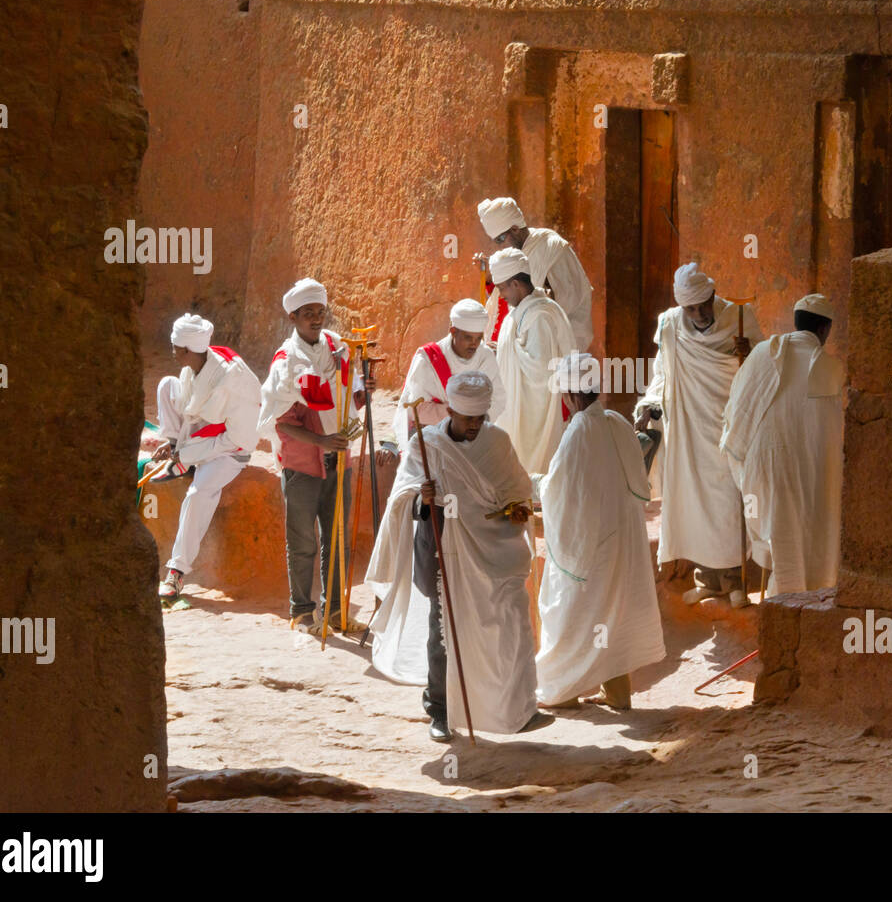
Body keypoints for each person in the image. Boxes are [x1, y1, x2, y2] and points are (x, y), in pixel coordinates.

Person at [364, 371, 550, 741]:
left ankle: (518, 708)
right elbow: (401, 498)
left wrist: (517, 508)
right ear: (450, 409)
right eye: (469, 419)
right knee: (444, 629)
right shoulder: (426, 445)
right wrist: (422, 497)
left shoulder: (496, 441)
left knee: (510, 622)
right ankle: (441, 710)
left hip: (494, 552)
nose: (475, 426)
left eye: (481, 418)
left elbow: (516, 487)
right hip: (443, 550)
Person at [534, 354, 666, 710]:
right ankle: (618, 694)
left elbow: (559, 489)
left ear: (571, 395)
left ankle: (564, 692)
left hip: (593, 547)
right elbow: (635, 481)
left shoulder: (579, 430)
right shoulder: (616, 423)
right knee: (613, 616)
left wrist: (534, 484)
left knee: (578, 614)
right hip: (623, 543)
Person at [635, 261, 763, 609]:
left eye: (703, 304)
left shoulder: (740, 317)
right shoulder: (670, 324)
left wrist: (748, 354)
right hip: (688, 425)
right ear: (681, 306)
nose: (699, 313)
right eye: (690, 308)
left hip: (728, 424)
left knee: (726, 498)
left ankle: (735, 580)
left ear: (713, 295)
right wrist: (648, 403)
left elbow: (762, 368)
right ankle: (706, 580)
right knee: (694, 502)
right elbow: (662, 373)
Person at [258, 278, 374, 634]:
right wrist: (321, 441)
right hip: (302, 465)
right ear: (293, 317)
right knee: (304, 542)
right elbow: (281, 422)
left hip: (339, 460)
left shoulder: (339, 349)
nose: (316, 318)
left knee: (337, 538)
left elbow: (347, 401)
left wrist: (364, 389)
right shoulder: (286, 362)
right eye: (308, 313)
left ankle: (336, 613)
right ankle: (303, 612)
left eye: (320, 312)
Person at [721, 294, 843, 595]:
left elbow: (736, 412)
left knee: (781, 535)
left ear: (796, 321)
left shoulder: (762, 354)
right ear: (825, 330)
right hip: (811, 474)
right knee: (811, 528)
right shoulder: (832, 371)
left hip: (761, 471)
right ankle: (802, 601)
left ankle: (784, 596)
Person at [152, 313, 261, 600]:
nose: (172, 351)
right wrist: (177, 444)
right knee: (166, 385)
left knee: (198, 493)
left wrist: (186, 456)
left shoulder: (230, 379)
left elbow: (235, 439)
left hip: (231, 449)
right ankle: (179, 456)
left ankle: (176, 572)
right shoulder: (196, 365)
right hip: (205, 435)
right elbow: (192, 409)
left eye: (176, 347)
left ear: (187, 350)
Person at [489, 247, 576, 474]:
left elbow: (541, 371)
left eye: (502, 288)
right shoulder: (521, 310)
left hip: (535, 414)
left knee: (532, 467)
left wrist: (510, 351)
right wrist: (502, 350)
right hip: (518, 405)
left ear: (516, 284)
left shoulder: (540, 315)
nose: (502, 295)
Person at [475, 196, 594, 352]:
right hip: (523, 347)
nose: (500, 247)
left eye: (501, 239)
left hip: (554, 347)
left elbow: (568, 302)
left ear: (515, 229)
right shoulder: (515, 254)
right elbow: (510, 301)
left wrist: (520, 344)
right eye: (496, 241)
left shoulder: (551, 248)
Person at [391, 298, 504, 450]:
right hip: (432, 442)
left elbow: (498, 400)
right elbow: (414, 409)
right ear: (453, 331)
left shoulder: (486, 357)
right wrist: (457, 415)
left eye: (478, 338)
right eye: (468, 337)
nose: (474, 344)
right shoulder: (427, 359)